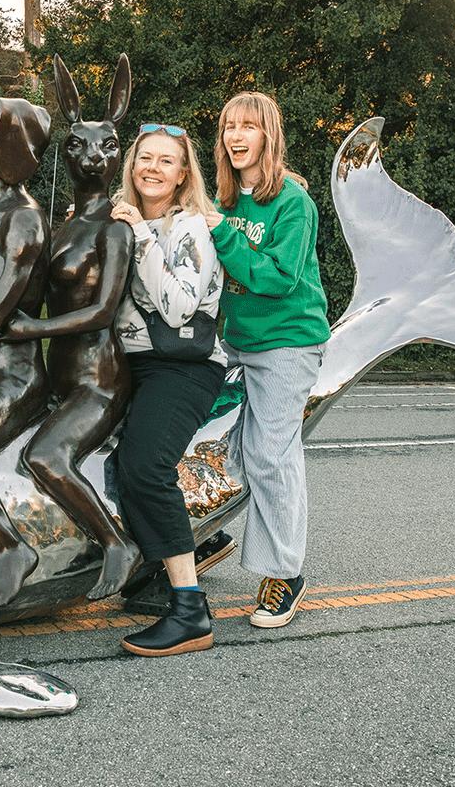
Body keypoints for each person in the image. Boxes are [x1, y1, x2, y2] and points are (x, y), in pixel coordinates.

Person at [203, 91, 331, 629]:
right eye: (229, 126)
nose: (236, 135)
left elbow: (277, 278)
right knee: (202, 440)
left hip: (288, 340)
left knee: (270, 454)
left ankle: (285, 573)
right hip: (237, 340)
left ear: (268, 136)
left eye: (248, 126)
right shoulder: (225, 201)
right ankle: (203, 536)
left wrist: (219, 231)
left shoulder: (293, 203)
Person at [110, 123, 227, 657]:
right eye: (144, 158)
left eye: (165, 161)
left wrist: (140, 237)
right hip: (126, 363)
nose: (152, 168)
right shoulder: (119, 220)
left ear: (182, 176)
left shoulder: (189, 229)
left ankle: (190, 612)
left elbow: (179, 307)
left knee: (145, 465)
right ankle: (151, 569)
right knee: (104, 460)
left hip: (183, 365)